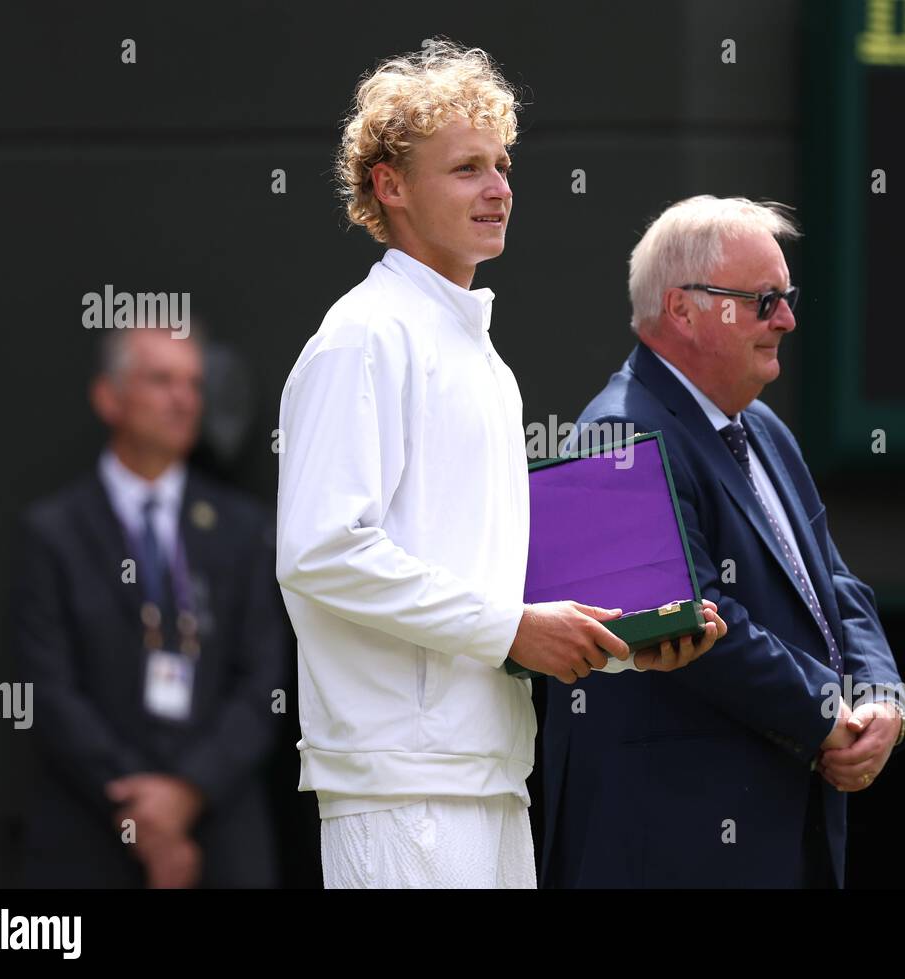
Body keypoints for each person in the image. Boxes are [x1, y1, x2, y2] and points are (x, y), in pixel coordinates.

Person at [275, 42, 724, 890]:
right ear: (390, 185)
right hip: (402, 791)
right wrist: (511, 627)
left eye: (503, 166)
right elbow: (320, 551)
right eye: (467, 168)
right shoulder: (361, 335)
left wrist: (623, 642)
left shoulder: (486, 361)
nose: (498, 189)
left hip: (493, 776)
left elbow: (492, 583)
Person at [542, 195, 905, 888]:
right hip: (672, 849)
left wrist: (880, 695)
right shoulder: (614, 435)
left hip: (782, 838)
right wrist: (828, 710)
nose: (787, 320)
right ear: (683, 309)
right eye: (765, 301)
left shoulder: (764, 429)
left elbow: (836, 585)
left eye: (788, 298)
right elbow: (696, 623)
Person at [14, 324, 287, 887]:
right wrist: (143, 813)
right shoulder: (54, 533)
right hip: (92, 834)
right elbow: (48, 690)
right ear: (108, 397)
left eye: (194, 384)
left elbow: (264, 681)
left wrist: (187, 792)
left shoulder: (244, 530)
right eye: (161, 380)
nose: (183, 399)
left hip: (221, 835)